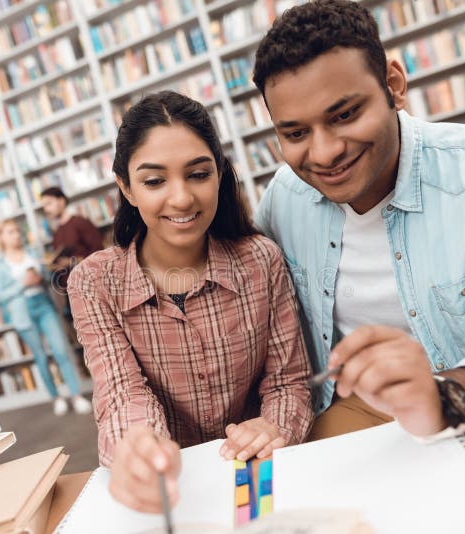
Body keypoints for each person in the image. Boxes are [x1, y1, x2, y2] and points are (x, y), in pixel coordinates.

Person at [252, 0, 465, 442]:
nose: (323, 154)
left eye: (344, 115)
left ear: (394, 85)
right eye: (296, 134)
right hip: (349, 416)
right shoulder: (283, 200)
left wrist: (436, 397)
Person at [68, 91, 312, 512]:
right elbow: (123, 393)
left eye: (198, 174)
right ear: (126, 187)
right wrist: (140, 446)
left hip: (260, 471)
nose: (181, 198)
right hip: (173, 491)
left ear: (219, 173)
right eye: (154, 181)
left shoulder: (262, 260)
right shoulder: (93, 282)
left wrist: (274, 427)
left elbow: (288, 381)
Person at [0, 219, 92, 416]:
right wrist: (23, 284)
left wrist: (42, 276)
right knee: (41, 358)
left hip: (44, 304)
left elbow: (46, 277)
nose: (16, 235)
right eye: (10, 232)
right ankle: (57, 398)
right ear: (1, 237)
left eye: (17, 231)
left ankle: (76, 395)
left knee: (62, 351)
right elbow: (1, 296)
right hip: (23, 311)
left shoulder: (32, 253)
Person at [40, 186, 104, 276]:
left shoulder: (80, 222)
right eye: (44, 206)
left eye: (49, 203)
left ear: (61, 201)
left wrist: (72, 262)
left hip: (89, 278)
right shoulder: (56, 233)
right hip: (68, 285)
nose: (46, 209)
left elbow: (99, 253)